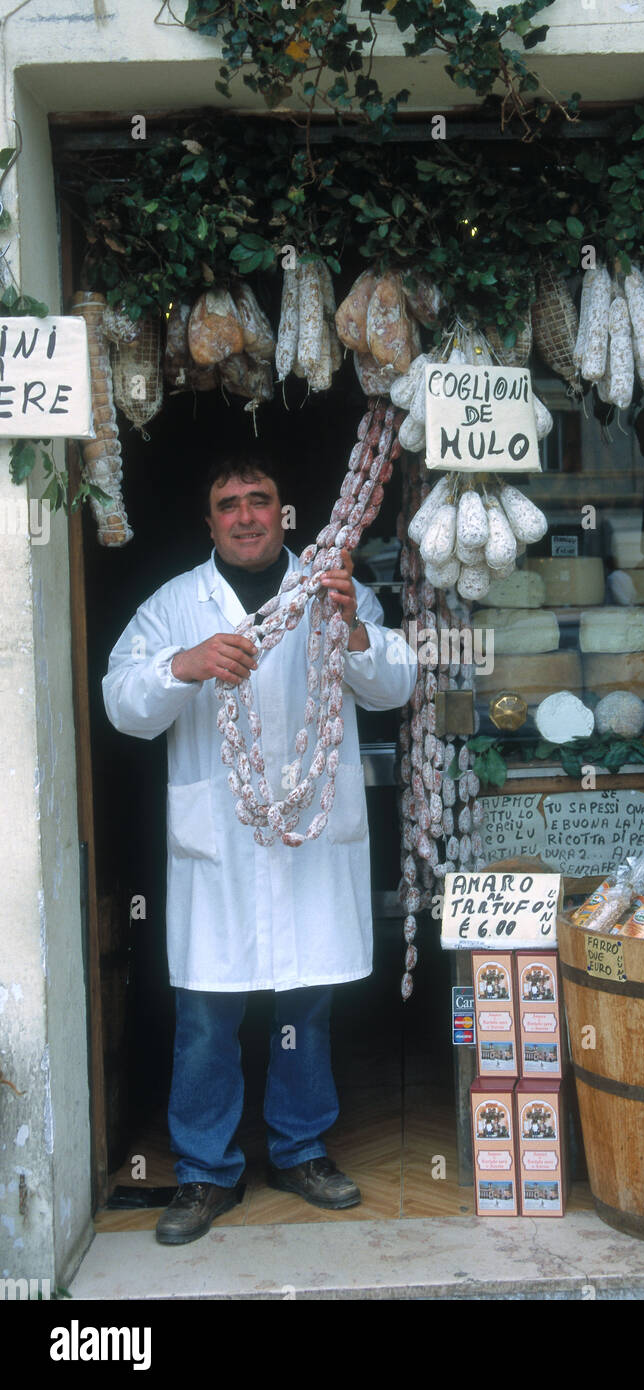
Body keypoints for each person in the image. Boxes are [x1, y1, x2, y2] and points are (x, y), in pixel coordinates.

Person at [102, 452, 417, 1245]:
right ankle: (206, 1172)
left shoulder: (330, 593)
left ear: (285, 516)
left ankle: (299, 1150)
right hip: (224, 849)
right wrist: (185, 666)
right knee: (208, 1011)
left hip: (307, 841)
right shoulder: (176, 605)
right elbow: (120, 703)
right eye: (228, 503)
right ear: (208, 522)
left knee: (305, 1000)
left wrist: (350, 633)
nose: (245, 514)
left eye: (260, 500)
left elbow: (396, 686)